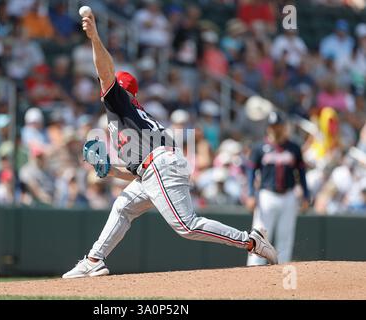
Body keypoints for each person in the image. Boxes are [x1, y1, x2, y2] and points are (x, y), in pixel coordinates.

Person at [62, 12, 278, 279]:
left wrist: (95, 37)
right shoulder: (133, 117)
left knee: (187, 226)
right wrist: (109, 169)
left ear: (121, 89)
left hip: (159, 166)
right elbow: (139, 170)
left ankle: (250, 241)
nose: (102, 85)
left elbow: (105, 69)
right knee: (123, 206)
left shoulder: (118, 101)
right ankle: (94, 259)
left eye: (107, 83)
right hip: (155, 167)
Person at [245, 111, 310, 266]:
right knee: (260, 236)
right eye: (274, 126)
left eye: (279, 126)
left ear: (284, 127)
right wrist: (250, 194)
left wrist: (306, 195)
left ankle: (281, 273)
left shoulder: (294, 147)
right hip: (267, 195)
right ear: (269, 128)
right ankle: (253, 272)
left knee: (285, 237)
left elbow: (301, 173)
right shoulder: (260, 148)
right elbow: (251, 172)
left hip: (288, 196)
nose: (276, 129)